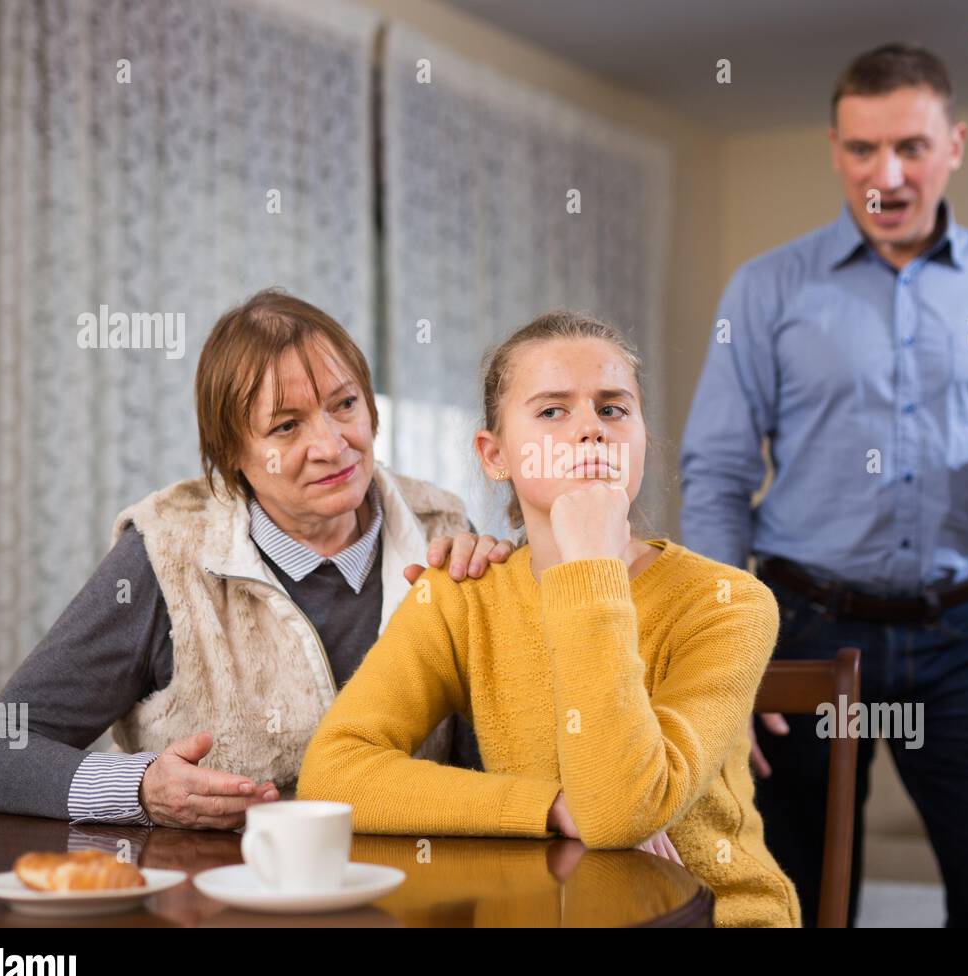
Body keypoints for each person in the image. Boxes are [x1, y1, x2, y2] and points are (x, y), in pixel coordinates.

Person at [680, 44, 968, 926]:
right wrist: (719, 650)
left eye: (912, 147)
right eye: (861, 149)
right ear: (835, 150)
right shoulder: (767, 288)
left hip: (967, 636)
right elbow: (719, 473)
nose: (887, 173)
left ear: (954, 144)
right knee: (793, 902)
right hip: (802, 628)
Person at [299, 310, 801, 927]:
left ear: (642, 435)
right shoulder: (462, 595)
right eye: (552, 411)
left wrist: (589, 566)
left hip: (713, 916)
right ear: (495, 455)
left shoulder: (731, 603)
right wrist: (551, 808)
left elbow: (619, 813)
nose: (590, 429)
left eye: (613, 409)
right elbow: (334, 772)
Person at [0, 289, 512, 830]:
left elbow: (490, 766)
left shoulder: (444, 531)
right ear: (230, 455)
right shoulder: (165, 552)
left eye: (344, 405)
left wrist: (507, 600)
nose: (331, 444)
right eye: (286, 426)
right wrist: (143, 788)